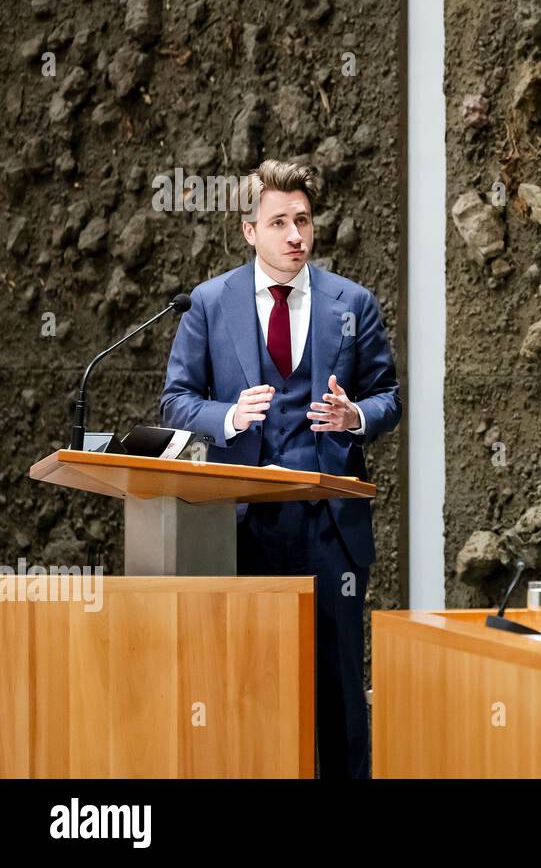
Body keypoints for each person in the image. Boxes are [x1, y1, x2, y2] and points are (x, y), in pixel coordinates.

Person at [161, 159, 401, 777]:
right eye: (279, 223)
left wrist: (355, 417)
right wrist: (230, 417)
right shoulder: (209, 304)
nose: (295, 235)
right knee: (247, 685)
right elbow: (176, 400)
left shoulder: (355, 303)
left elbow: (388, 398)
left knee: (342, 695)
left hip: (330, 529)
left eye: (303, 220)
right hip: (242, 528)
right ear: (249, 231)